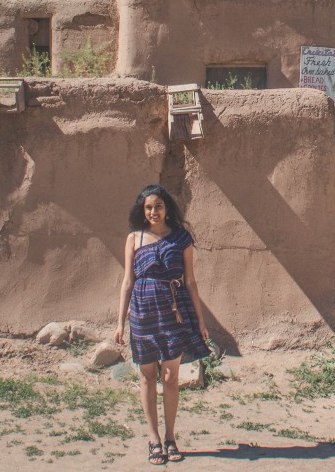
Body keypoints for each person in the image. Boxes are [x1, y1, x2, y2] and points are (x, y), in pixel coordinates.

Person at [115, 184, 211, 465]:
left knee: (170, 377)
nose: (153, 212)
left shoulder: (181, 238)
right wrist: (120, 322)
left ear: (166, 208)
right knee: (146, 376)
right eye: (148, 207)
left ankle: (170, 437)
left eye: (158, 206)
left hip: (173, 312)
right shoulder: (134, 238)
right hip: (142, 313)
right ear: (142, 211)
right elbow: (127, 282)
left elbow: (191, 281)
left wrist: (201, 320)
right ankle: (153, 438)